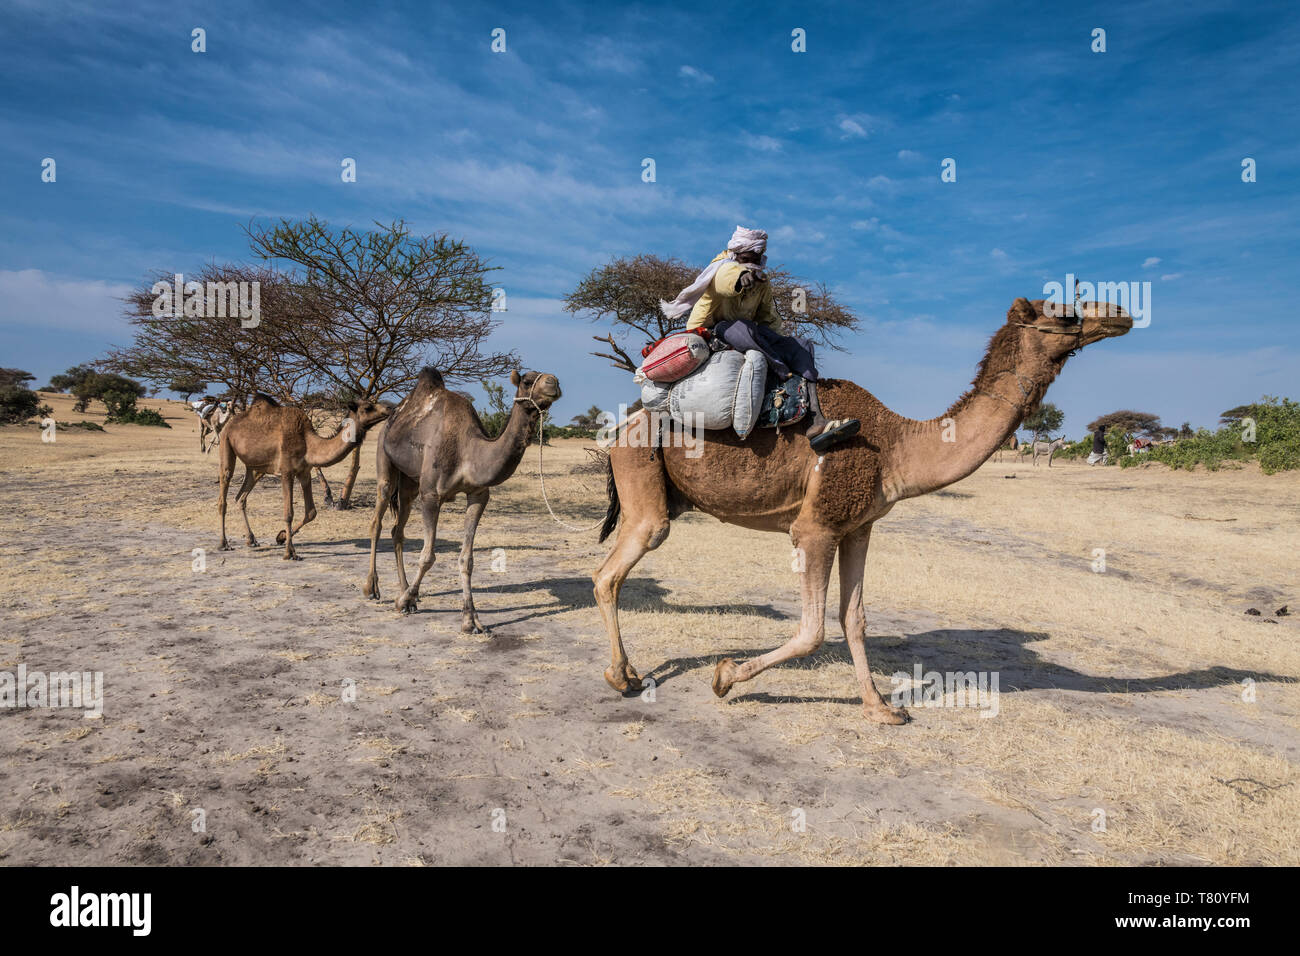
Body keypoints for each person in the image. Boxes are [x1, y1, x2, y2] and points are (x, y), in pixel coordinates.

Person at [658, 226, 859, 453]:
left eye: (755, 257)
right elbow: (726, 281)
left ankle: (816, 418)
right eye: (747, 257)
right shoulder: (723, 268)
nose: (752, 260)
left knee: (801, 346)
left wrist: (778, 340)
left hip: (749, 331)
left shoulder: (762, 281)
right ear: (736, 252)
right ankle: (782, 370)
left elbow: (768, 317)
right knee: (742, 329)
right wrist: (743, 276)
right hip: (711, 331)